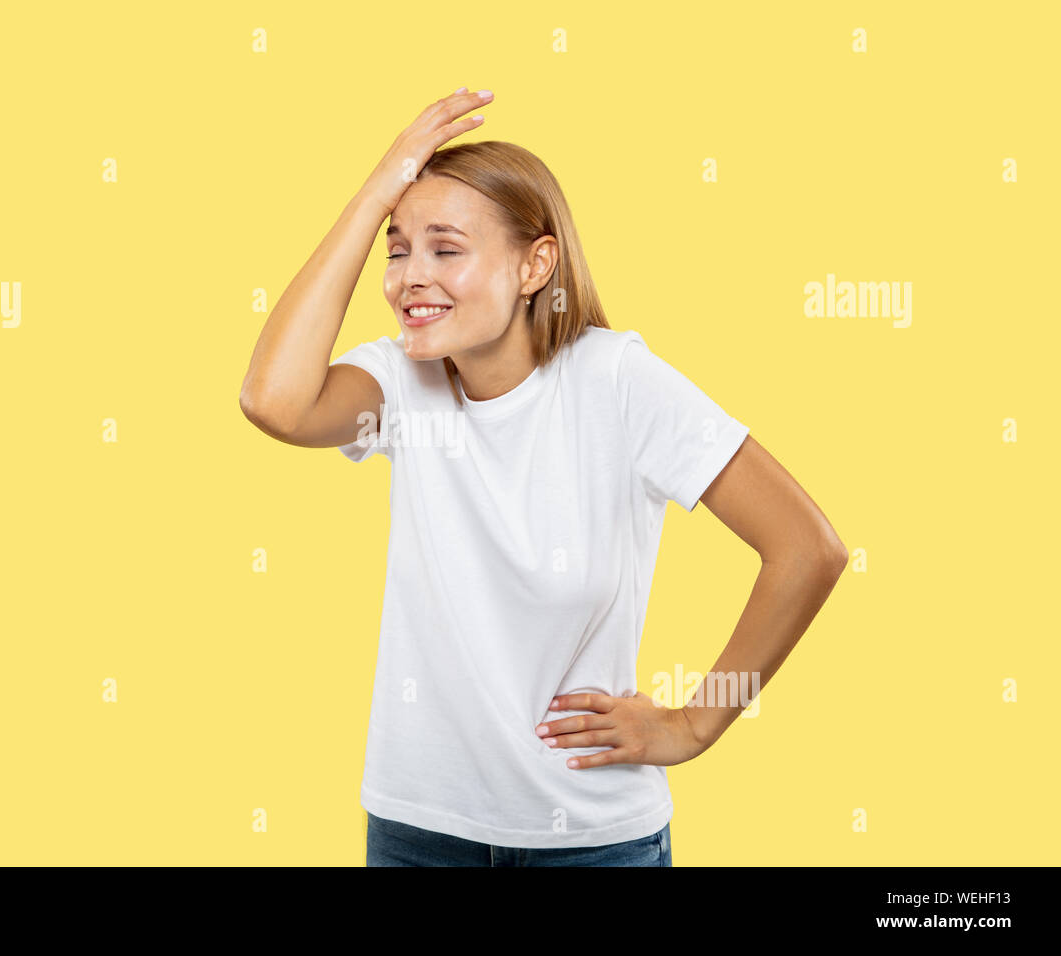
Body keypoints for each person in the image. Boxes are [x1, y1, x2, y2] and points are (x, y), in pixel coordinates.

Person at [240, 88, 848, 867]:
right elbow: (273, 402)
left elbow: (808, 549)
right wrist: (375, 193)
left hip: (590, 842)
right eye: (398, 249)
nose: (408, 279)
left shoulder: (618, 382)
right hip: (418, 832)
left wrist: (696, 723)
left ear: (536, 264)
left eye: (445, 248)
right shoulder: (399, 384)